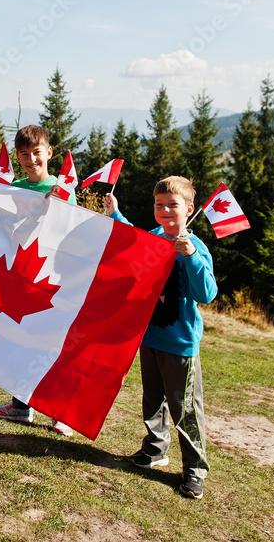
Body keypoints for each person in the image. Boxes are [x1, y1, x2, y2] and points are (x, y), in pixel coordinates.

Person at [104, 176, 217, 500]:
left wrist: (192, 255)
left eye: (173, 205)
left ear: (189, 209)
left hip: (180, 344)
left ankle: (194, 470)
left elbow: (206, 293)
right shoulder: (154, 237)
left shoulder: (195, 246)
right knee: (153, 401)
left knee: (184, 409)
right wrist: (116, 215)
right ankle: (155, 449)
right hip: (150, 337)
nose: (165, 210)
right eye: (159, 205)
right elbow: (133, 239)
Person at [0, 125, 74, 437]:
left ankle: (59, 412)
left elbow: (71, 230)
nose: (31, 159)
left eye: (36, 152)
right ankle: (21, 405)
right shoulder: (17, 187)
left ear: (48, 153)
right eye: (24, 155)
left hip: (51, 278)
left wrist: (59, 203)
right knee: (19, 341)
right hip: (19, 275)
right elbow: (0, 221)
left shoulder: (62, 187)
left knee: (49, 344)